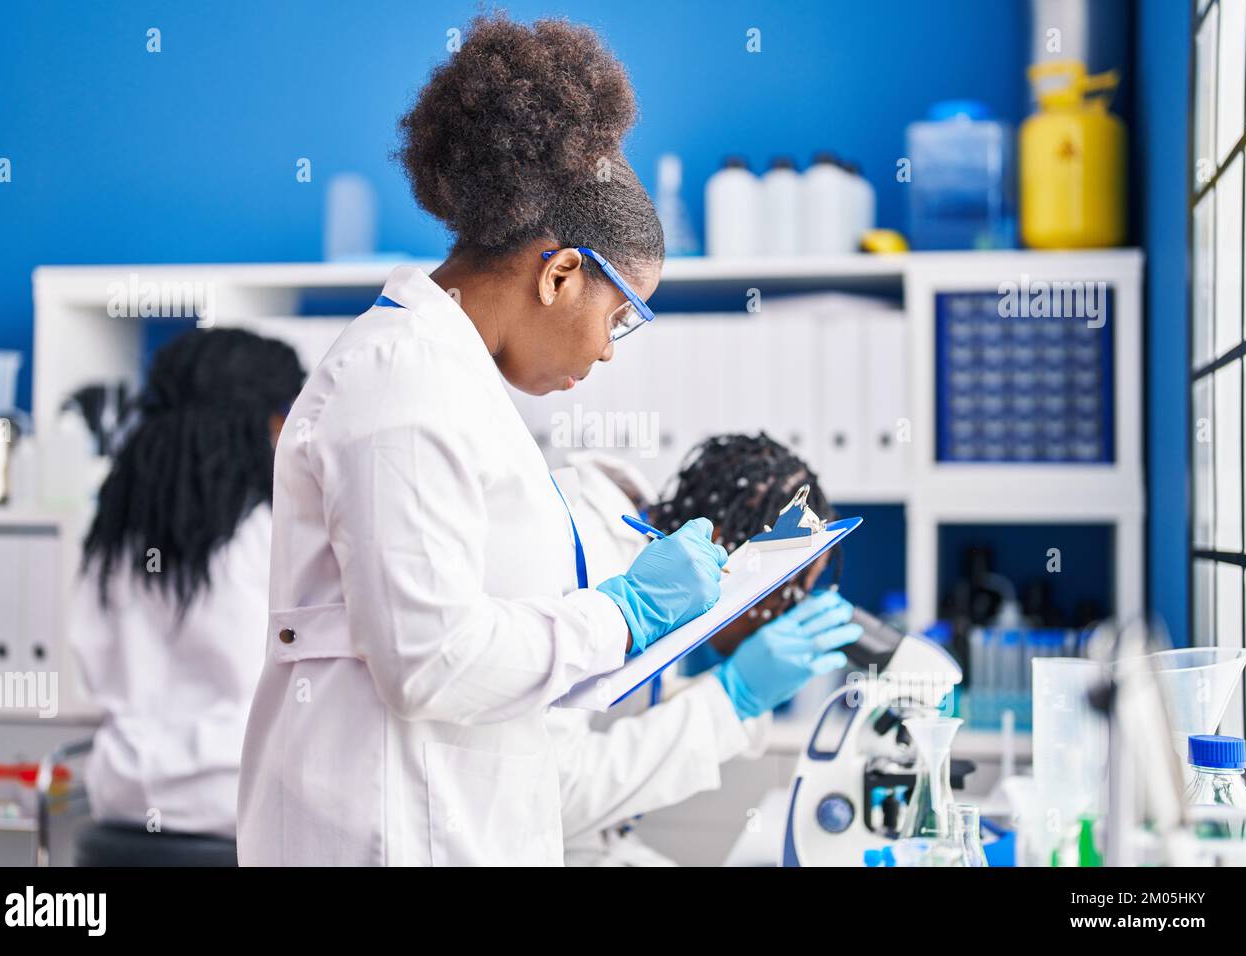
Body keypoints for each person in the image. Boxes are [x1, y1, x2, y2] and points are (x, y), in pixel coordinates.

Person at [236, 14, 726, 866]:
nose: (609, 348)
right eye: (620, 318)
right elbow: (431, 661)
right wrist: (623, 612)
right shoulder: (401, 381)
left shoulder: (455, 381)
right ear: (561, 272)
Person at [549, 435, 860, 865]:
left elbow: (616, 707)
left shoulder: (659, 564)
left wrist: (735, 698)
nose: (791, 613)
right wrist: (731, 699)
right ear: (720, 542)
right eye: (788, 592)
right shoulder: (589, 554)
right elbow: (553, 797)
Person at [70, 329, 304, 856]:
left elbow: (91, 663)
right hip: (237, 801)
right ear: (264, 420)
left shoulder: (113, 536)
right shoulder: (270, 535)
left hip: (123, 793)